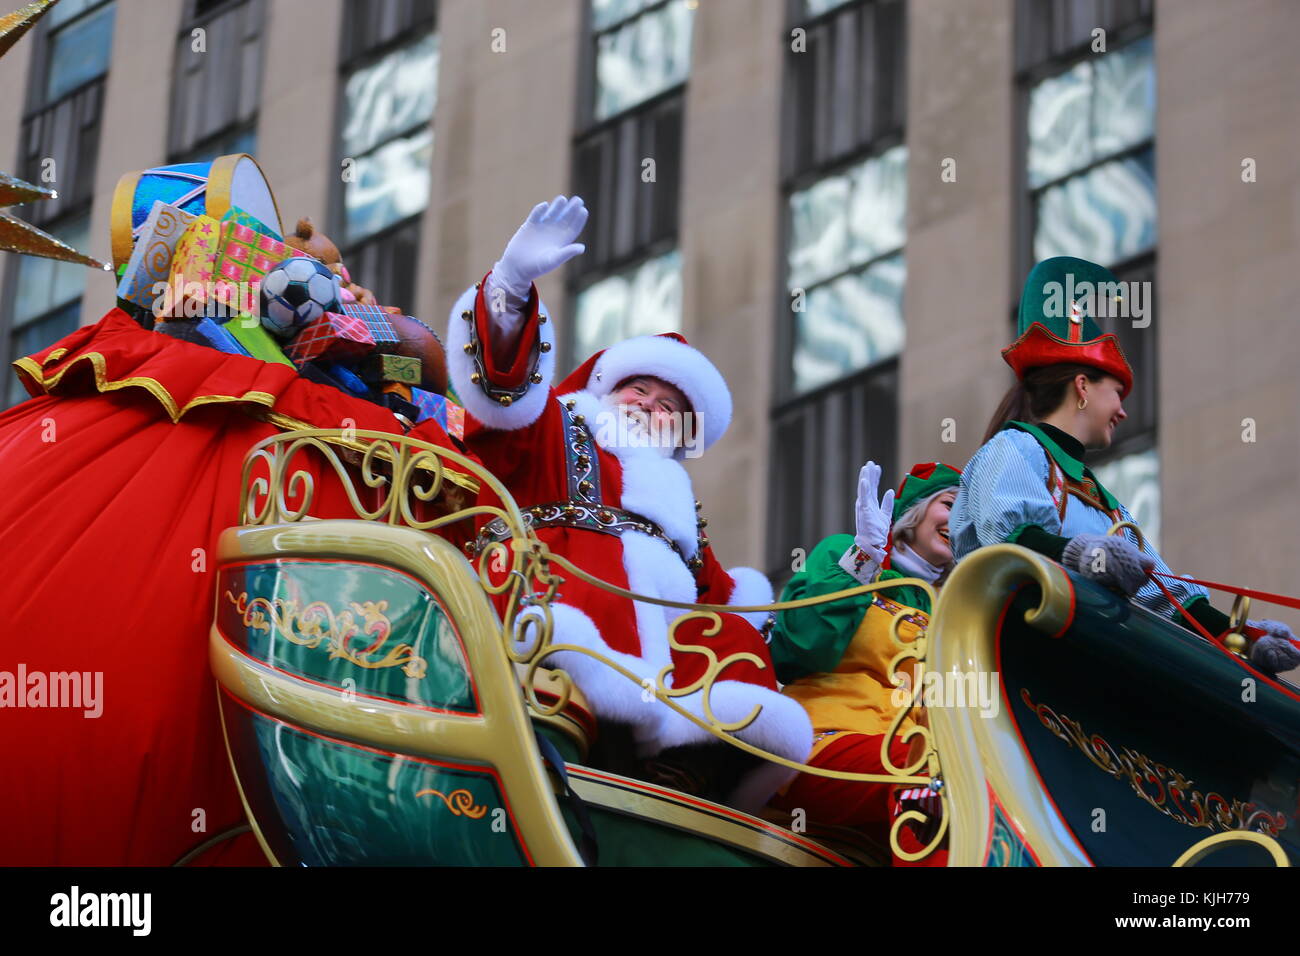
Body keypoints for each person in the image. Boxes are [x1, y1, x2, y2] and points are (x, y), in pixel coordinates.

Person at [446, 195, 811, 810]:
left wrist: (855, 564)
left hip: (663, 652)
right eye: (636, 389)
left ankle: (688, 778)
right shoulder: (560, 430)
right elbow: (505, 400)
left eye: (668, 405)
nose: (647, 405)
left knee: (735, 640)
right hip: (561, 602)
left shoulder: (678, 509)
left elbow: (723, 596)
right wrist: (510, 288)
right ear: (604, 391)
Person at [949, 255, 1300, 676]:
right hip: (1020, 669)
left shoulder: (1109, 506)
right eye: (1118, 393)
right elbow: (1010, 545)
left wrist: (1240, 637)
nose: (1123, 412)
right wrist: (1084, 553)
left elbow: (1167, 598)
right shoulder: (1012, 449)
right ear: (1082, 386)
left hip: (1085, 668)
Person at [767, 460, 961, 864]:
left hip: (910, 759)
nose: (959, 519)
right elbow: (797, 646)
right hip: (825, 743)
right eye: (950, 503)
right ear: (917, 510)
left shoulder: (959, 611)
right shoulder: (846, 553)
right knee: (925, 779)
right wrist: (863, 560)